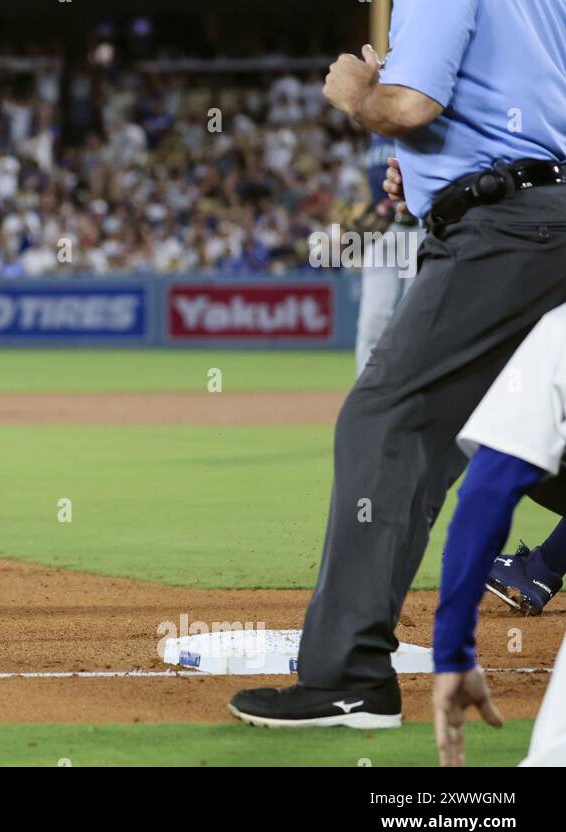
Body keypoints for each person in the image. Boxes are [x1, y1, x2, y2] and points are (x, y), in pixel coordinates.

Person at [230, 0, 566, 728]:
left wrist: (356, 90)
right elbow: (523, 121)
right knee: (539, 438)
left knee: (386, 421)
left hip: (502, 237)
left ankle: (347, 677)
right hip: (544, 221)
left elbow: (409, 103)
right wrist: (434, 173)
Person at [430, 305, 566, 766]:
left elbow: (488, 490)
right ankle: (541, 567)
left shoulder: (557, 330)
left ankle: (540, 568)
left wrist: (452, 654)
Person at [354, 133, 422, 376]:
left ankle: (411, 389)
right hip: (382, 232)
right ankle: (365, 396)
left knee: (415, 319)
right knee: (372, 321)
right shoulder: (374, 131)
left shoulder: (420, 116)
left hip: (422, 229)